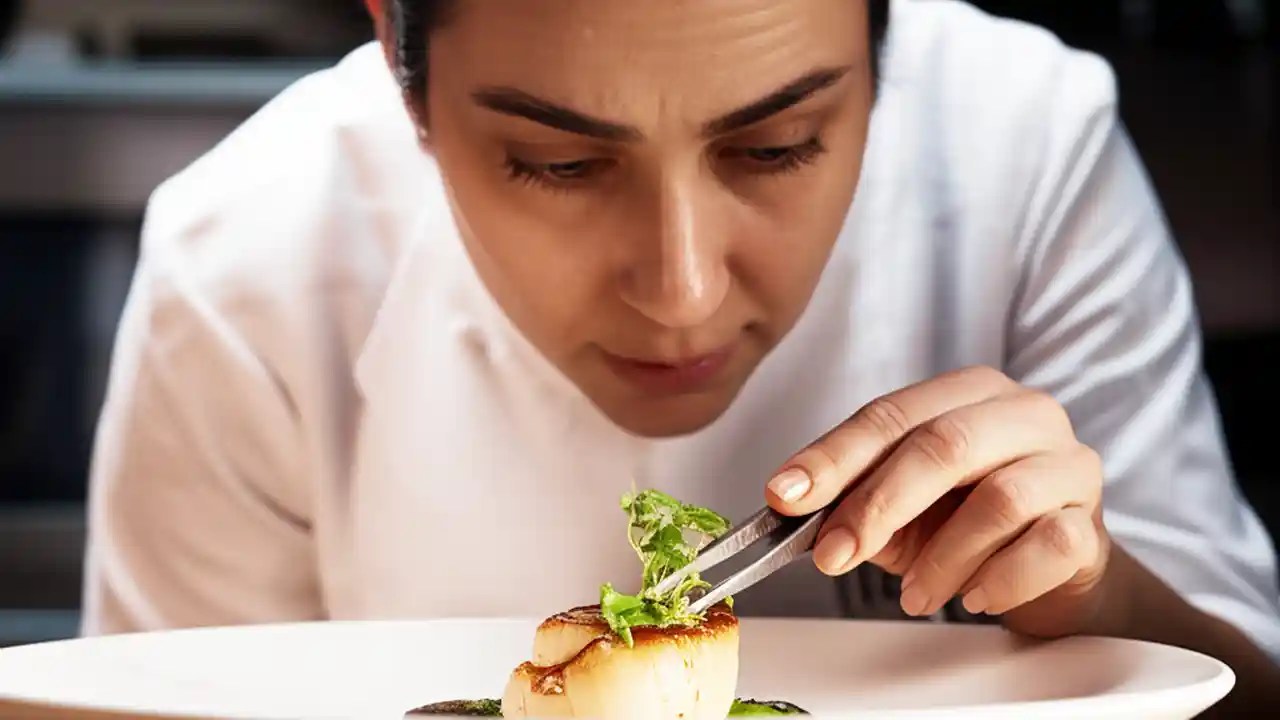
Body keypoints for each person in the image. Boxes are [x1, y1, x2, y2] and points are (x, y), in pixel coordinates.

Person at [81, 0, 1280, 712]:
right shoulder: (247, 256)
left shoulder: (1026, 151)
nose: (679, 291)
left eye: (776, 145)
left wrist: (1090, 594)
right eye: (557, 165)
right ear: (401, 58)